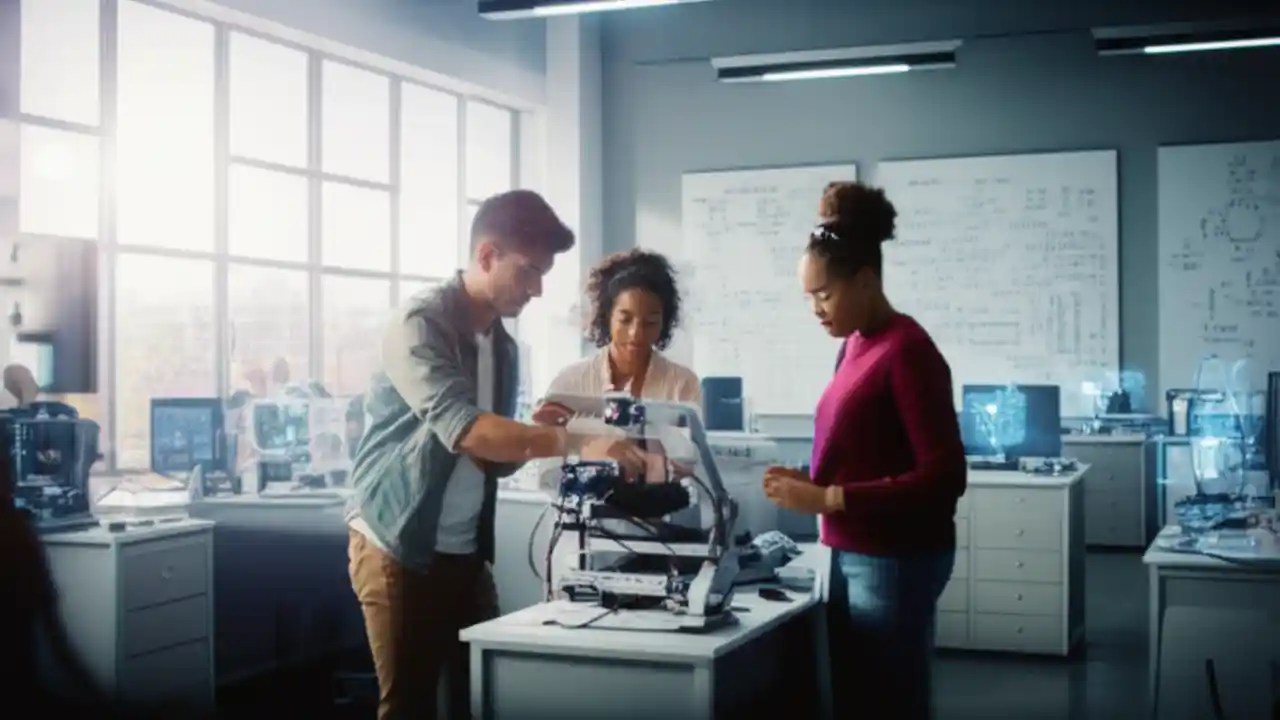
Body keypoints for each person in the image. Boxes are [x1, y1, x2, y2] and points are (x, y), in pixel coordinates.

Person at [344, 189, 649, 720]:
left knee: (483, 694)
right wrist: (574, 440)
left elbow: (494, 458)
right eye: (529, 271)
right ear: (487, 256)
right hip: (399, 545)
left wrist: (533, 433)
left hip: (465, 551)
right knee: (408, 707)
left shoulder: (503, 347)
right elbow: (467, 432)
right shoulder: (419, 325)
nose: (536, 289)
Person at [761, 181, 966, 720]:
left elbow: (944, 478)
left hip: (894, 558)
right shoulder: (853, 343)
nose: (815, 309)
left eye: (824, 294)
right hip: (849, 553)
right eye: (808, 296)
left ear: (867, 280)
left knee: (887, 703)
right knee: (856, 698)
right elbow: (866, 451)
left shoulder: (908, 351)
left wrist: (828, 499)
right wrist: (806, 480)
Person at [533, 247, 701, 424]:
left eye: (650, 322)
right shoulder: (570, 383)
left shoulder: (682, 384)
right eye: (625, 320)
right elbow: (548, 443)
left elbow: (693, 448)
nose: (636, 333)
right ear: (607, 317)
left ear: (664, 323)